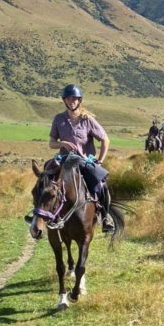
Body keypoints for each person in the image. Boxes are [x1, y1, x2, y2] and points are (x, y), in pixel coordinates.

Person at [48, 84, 116, 233]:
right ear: (64, 100)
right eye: (69, 98)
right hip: (65, 161)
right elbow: (51, 143)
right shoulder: (59, 119)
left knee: (101, 185)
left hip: (84, 161)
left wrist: (100, 160)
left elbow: (105, 139)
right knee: (45, 178)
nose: (72, 101)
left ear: (79, 101)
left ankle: (105, 217)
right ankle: (39, 214)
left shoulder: (88, 120)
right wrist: (62, 143)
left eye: (75, 98)